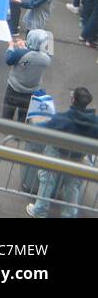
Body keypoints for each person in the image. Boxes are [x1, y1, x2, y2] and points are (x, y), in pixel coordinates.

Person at [27, 86, 98, 218]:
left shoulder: (62, 119)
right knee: (72, 187)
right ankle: (69, 215)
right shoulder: (95, 123)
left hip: (58, 154)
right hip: (79, 158)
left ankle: (40, 210)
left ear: (73, 99)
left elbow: (44, 128)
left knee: (47, 179)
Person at [3, 30, 52, 121]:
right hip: (30, 93)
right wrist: (25, 48)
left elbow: (9, 60)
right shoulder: (46, 59)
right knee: (23, 117)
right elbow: (31, 58)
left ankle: (5, 129)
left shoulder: (20, 53)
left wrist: (11, 46)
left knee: (7, 113)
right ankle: (19, 133)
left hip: (14, 89)